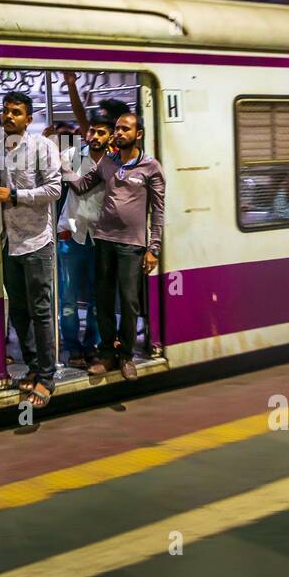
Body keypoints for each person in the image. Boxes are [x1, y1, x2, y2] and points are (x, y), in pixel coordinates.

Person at [70, 112, 165, 381]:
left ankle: (125, 355)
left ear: (139, 134)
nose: (120, 133)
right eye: (118, 129)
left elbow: (158, 211)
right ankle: (107, 354)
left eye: (126, 129)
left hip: (132, 245)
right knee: (103, 299)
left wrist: (154, 248)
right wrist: (60, 167)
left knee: (129, 301)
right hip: (104, 240)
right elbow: (81, 186)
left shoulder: (151, 167)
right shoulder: (107, 162)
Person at [0, 91, 62, 408]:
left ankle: (47, 378)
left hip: (37, 242)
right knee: (20, 312)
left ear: (28, 119)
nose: (9, 116)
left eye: (16, 112)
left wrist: (14, 196)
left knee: (41, 311)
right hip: (10, 242)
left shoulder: (42, 147)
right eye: (6, 111)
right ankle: (34, 367)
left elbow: (54, 189)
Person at [57, 115, 114, 368]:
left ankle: (92, 344)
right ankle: (72, 346)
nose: (95, 136)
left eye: (102, 132)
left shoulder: (115, 163)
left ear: (110, 136)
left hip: (101, 237)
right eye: (92, 131)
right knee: (68, 297)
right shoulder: (72, 156)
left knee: (97, 296)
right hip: (72, 234)